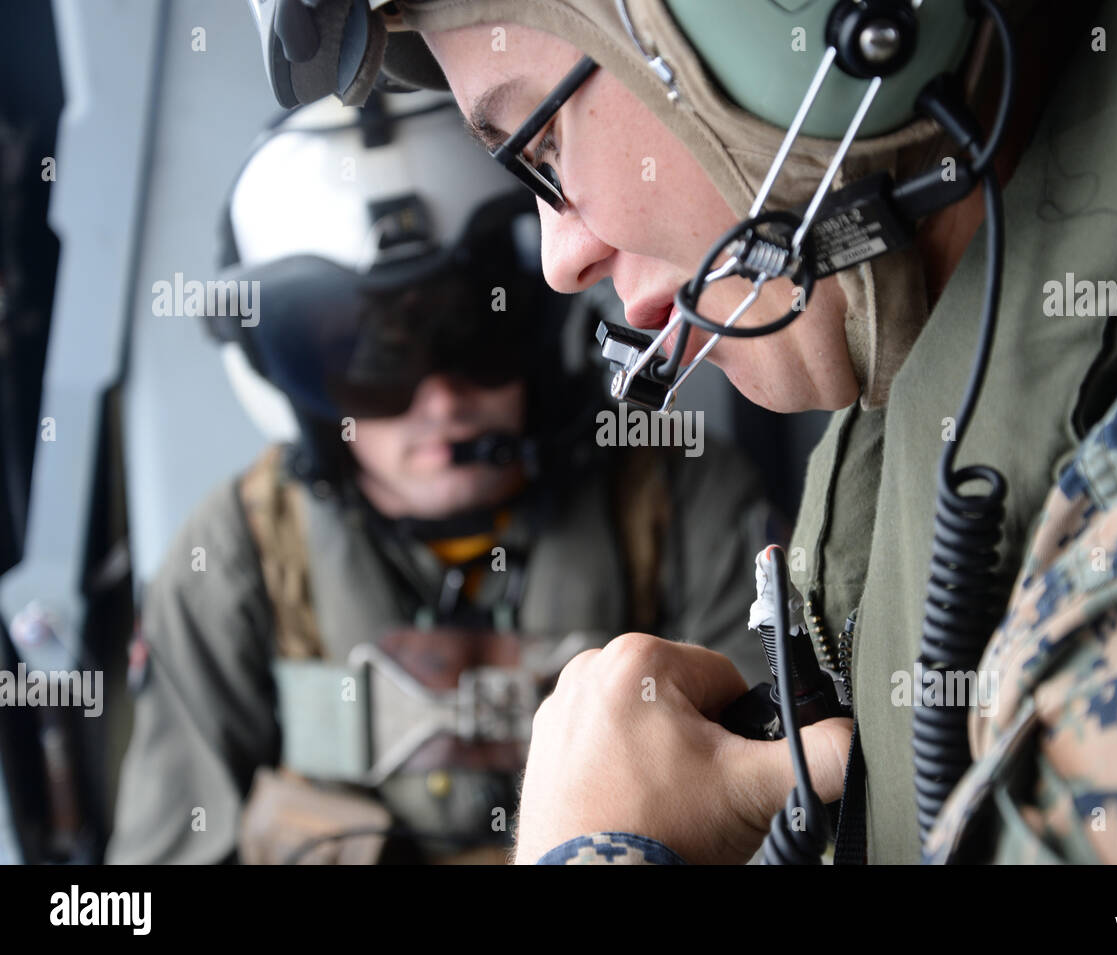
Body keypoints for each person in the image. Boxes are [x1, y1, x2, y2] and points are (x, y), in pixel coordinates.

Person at [245, 0, 1117, 864]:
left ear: (785, 31)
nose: (560, 256)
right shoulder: (924, 408)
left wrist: (597, 854)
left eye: (542, 143)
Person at [107, 92, 776, 864]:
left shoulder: (685, 501)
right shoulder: (235, 557)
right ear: (302, 387)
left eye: (476, 327)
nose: (441, 400)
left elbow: (783, 806)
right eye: (372, 359)